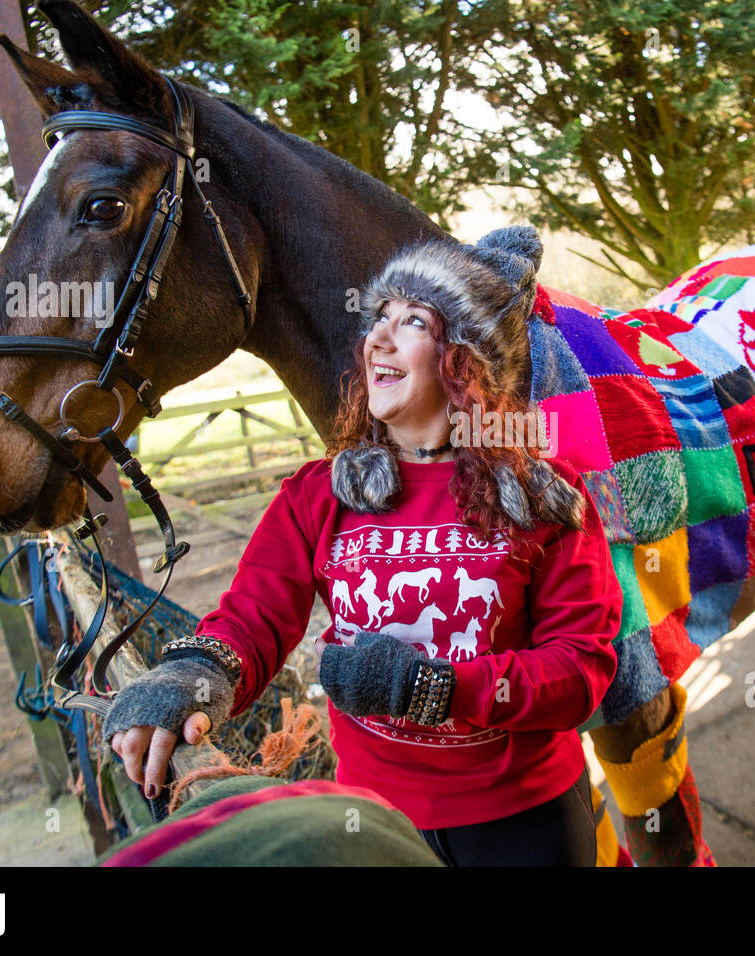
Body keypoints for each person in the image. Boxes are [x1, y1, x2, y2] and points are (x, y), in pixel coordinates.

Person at [103, 225, 622, 866]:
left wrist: (434, 687)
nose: (377, 335)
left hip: (522, 820)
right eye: (378, 317)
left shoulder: (543, 500)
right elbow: (253, 618)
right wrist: (195, 673)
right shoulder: (321, 494)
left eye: (412, 321)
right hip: (369, 824)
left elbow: (579, 673)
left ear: (467, 358)